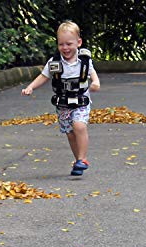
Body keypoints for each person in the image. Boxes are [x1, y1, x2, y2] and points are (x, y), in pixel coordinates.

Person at [22, 20, 100, 176]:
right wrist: (31, 87)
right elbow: (43, 76)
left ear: (79, 42)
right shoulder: (54, 63)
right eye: (61, 44)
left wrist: (96, 83)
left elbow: (93, 75)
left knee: (79, 126)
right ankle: (77, 159)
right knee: (70, 133)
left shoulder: (84, 61)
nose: (65, 48)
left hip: (81, 100)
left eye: (69, 44)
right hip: (63, 103)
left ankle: (83, 159)